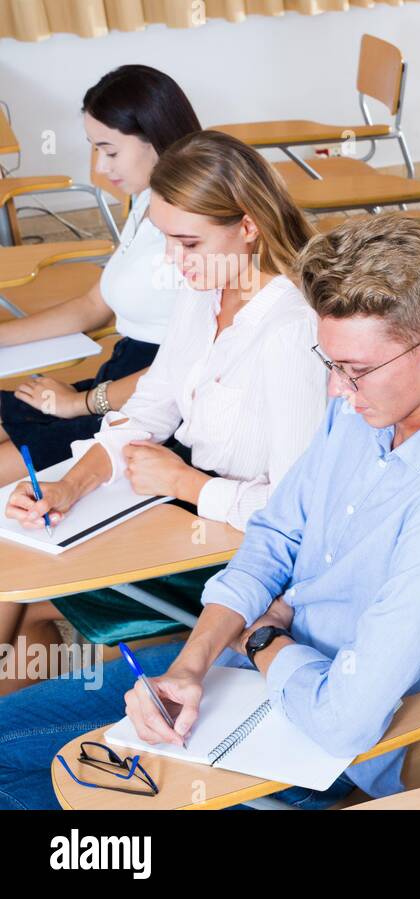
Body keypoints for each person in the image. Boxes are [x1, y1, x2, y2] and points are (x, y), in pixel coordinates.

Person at [0, 213, 420, 809]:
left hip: (322, 750)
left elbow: (343, 721)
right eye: (331, 364)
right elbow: (273, 536)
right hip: (248, 675)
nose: (334, 391)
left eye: (353, 371)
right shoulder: (366, 404)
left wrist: (262, 638)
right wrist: (190, 667)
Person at [2, 130, 323, 691]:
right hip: (201, 517)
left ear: (248, 226)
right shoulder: (206, 291)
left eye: (188, 244)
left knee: (31, 600)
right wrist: (69, 487)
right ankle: (37, 739)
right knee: (22, 594)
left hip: (256, 559)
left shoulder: (293, 331)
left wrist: (185, 481)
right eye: (167, 242)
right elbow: (150, 407)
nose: (175, 262)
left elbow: (296, 518)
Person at [0, 65, 200, 485]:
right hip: (120, 375)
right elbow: (94, 304)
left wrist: (83, 403)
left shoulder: (193, 228)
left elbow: (192, 367)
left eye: (110, 150)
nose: (100, 165)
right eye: (94, 148)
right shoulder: (147, 198)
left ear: (157, 137)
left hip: (153, 400)